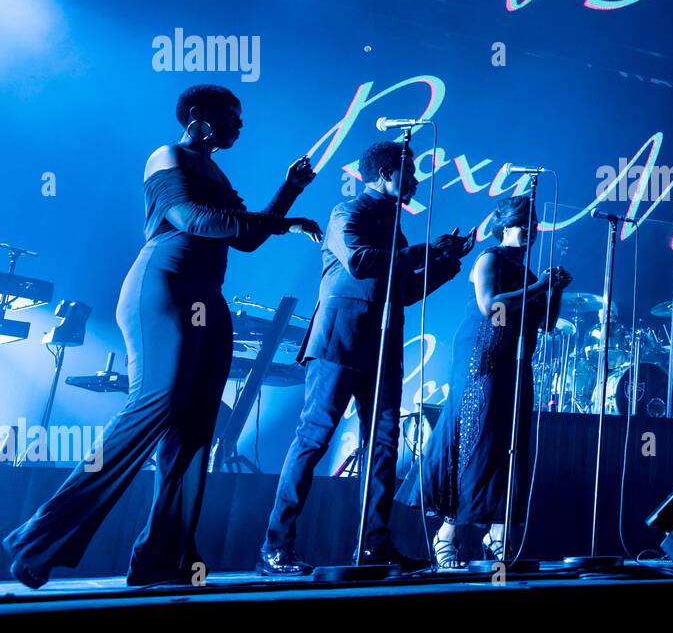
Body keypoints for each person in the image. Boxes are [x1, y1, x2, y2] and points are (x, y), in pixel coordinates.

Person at [3, 85, 321, 588]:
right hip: (163, 286)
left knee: (196, 430)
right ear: (198, 116)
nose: (240, 126)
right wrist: (275, 221)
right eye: (230, 116)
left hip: (206, 298)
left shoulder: (216, 170)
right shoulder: (167, 155)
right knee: (156, 402)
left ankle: (164, 558)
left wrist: (290, 190)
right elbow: (193, 219)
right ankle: (37, 539)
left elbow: (249, 237)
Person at [258, 141, 473, 576]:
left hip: (383, 345)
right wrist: (428, 251)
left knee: (383, 446)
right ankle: (275, 546)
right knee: (314, 439)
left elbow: (405, 291)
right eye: (408, 173)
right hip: (339, 343)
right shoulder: (346, 213)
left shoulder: (395, 228)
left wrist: (447, 263)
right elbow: (359, 262)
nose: (414, 182)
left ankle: (374, 545)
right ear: (383, 174)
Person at [398, 195, 571, 568]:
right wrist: (540, 287)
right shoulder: (488, 259)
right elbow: (490, 306)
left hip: (514, 360)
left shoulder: (528, 276)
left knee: (509, 441)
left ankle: (497, 534)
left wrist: (553, 290)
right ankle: (448, 533)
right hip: (482, 356)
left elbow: (546, 324)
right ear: (504, 227)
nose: (530, 233)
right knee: (475, 436)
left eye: (534, 227)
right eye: (523, 226)